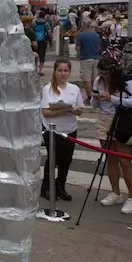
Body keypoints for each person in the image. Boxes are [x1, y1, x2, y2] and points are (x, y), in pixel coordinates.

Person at [92, 55, 132, 214]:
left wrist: (111, 98)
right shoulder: (99, 81)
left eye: (105, 74)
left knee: (125, 161)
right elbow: (95, 105)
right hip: (104, 119)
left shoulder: (129, 82)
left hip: (123, 121)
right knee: (110, 159)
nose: (102, 77)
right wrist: (94, 98)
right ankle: (116, 192)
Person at [40, 59, 84, 201]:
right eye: (60, 70)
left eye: (66, 71)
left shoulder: (74, 89)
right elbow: (46, 112)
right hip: (52, 130)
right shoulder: (48, 89)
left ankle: (60, 186)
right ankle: (46, 188)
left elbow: (80, 110)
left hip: (70, 129)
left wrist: (74, 110)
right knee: (52, 160)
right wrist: (65, 109)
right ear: (55, 71)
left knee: (66, 160)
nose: (63, 73)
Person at [74, 21, 101, 103]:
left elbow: (77, 48)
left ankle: (90, 97)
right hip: (96, 58)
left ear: (82, 26)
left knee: (86, 79)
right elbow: (99, 47)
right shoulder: (96, 35)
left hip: (85, 58)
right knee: (95, 78)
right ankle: (96, 95)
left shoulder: (81, 35)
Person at [32, 11, 50, 76]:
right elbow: (49, 32)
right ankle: (40, 71)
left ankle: (35, 69)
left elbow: (32, 30)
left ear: (39, 16)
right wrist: (50, 41)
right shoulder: (46, 23)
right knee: (42, 55)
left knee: (35, 55)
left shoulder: (34, 23)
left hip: (35, 41)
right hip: (43, 41)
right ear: (44, 16)